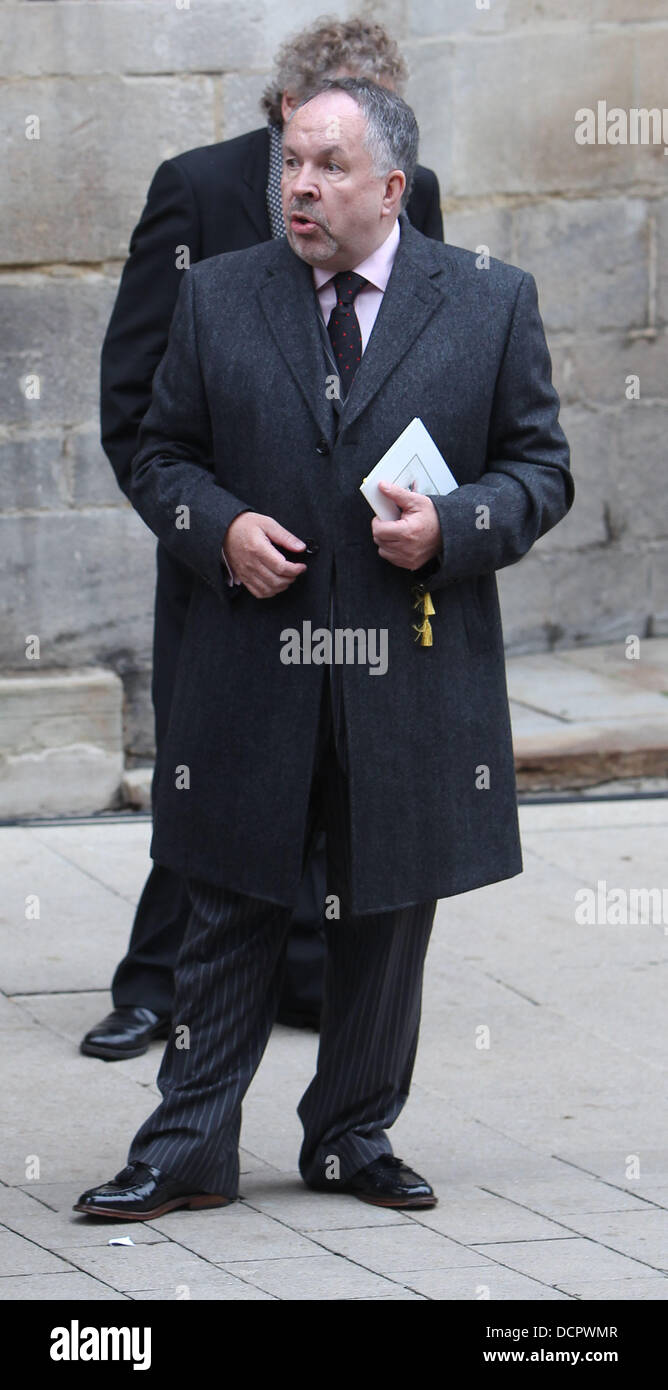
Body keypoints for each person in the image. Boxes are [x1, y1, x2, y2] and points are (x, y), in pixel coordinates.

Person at [75, 77, 572, 1220]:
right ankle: (188, 1146)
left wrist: (452, 527)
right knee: (226, 908)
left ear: (391, 187)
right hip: (254, 669)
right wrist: (221, 530)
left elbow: (540, 470)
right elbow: (160, 455)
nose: (298, 185)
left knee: (386, 918)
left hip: (411, 674)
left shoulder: (490, 303)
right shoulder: (219, 297)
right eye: (289, 163)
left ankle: (350, 1134)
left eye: (328, 166)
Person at [82, 17, 444, 1062]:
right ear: (286, 108)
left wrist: (430, 508)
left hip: (362, 555)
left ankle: (300, 973)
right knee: (209, 768)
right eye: (317, 134)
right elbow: (132, 403)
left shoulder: (402, 186)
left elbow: (433, 353)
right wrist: (214, 525)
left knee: (336, 769)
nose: (326, 170)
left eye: (374, 134)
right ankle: (155, 985)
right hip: (226, 555)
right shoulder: (195, 190)